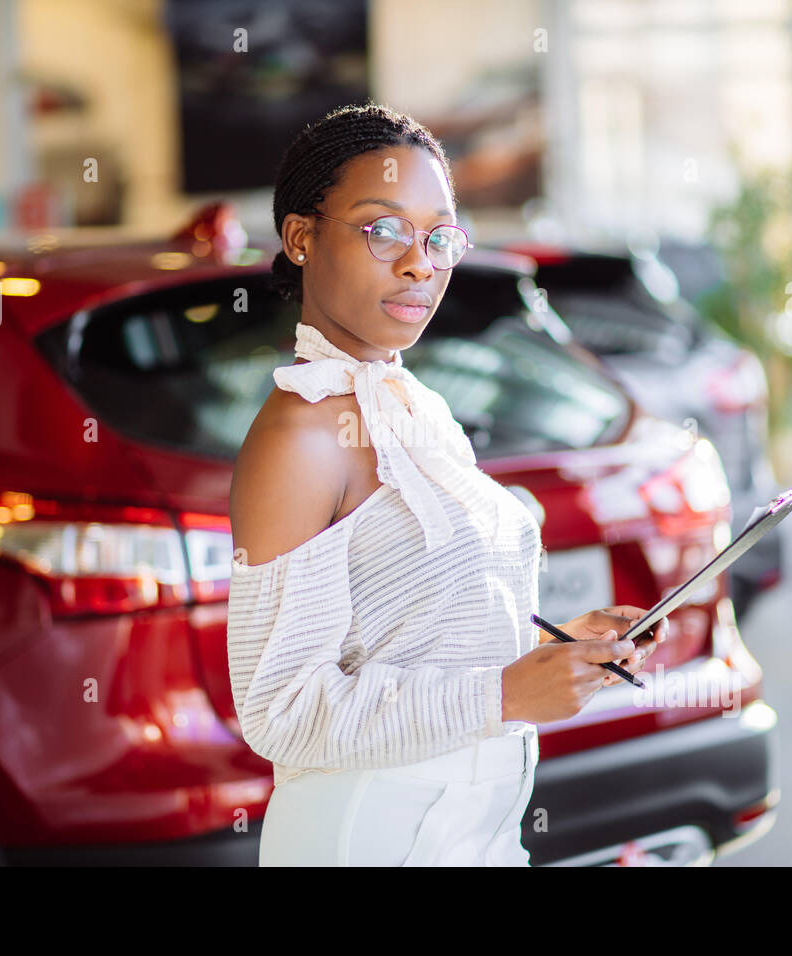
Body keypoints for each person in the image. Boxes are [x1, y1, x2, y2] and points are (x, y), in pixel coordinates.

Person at [226, 102, 667, 866]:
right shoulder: (300, 437)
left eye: (439, 237)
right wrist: (503, 696)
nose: (419, 263)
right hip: (368, 838)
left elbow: (413, 631)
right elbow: (281, 711)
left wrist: (555, 648)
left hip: (473, 832)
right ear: (300, 238)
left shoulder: (412, 407)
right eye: (384, 229)